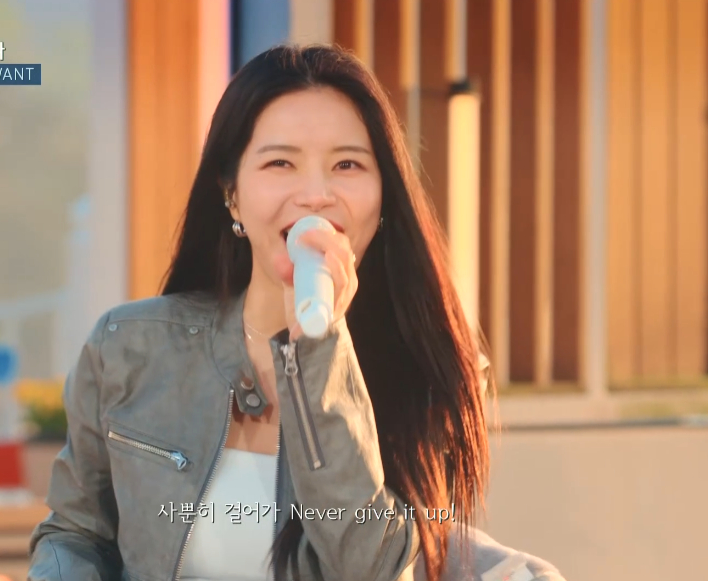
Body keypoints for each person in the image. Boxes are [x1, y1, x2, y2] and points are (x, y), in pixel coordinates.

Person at [28, 44, 564, 581]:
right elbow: (75, 533)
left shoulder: (427, 374)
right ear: (232, 194)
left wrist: (319, 344)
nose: (315, 195)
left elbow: (369, 567)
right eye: (280, 163)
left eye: (347, 164)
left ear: (383, 198)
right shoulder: (129, 347)